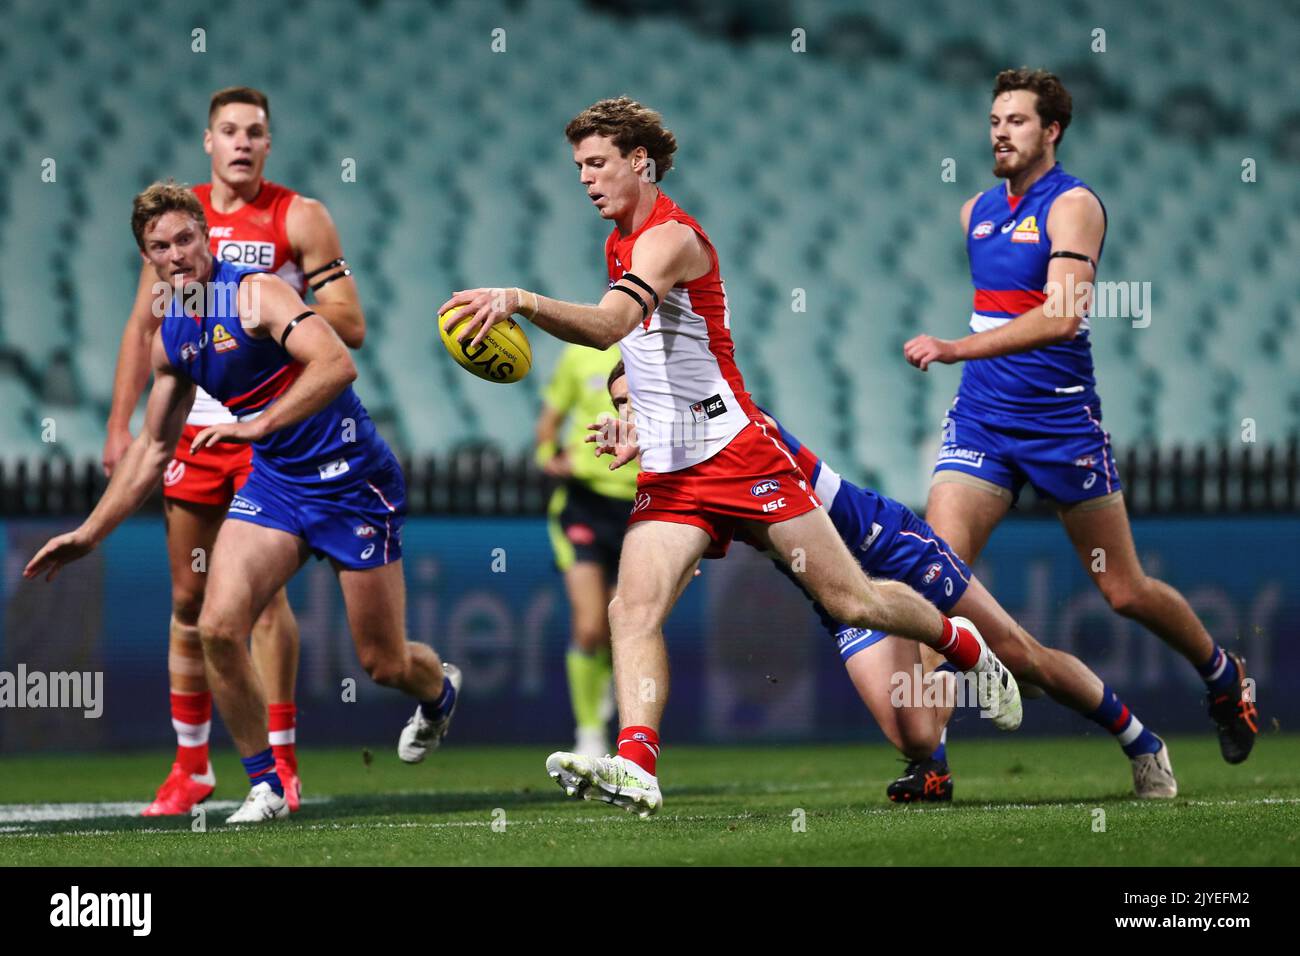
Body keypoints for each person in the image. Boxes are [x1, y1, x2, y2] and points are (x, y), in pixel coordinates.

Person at [440, 97, 1022, 819]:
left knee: (853, 601)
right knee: (632, 609)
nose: (585, 180)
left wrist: (519, 298)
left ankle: (958, 643)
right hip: (675, 470)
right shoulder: (620, 241)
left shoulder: (669, 238)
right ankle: (637, 765)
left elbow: (611, 326)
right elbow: (642, 353)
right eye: (579, 168)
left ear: (640, 163)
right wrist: (633, 424)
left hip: (737, 452)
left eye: (596, 164)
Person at [27, 182, 459, 824]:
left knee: (383, 662)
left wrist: (259, 426)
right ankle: (266, 785)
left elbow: (338, 364)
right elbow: (152, 448)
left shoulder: (256, 293)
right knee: (217, 627)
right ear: (147, 260)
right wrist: (90, 533)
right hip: (279, 487)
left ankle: (439, 690)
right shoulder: (171, 337)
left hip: (352, 482)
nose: (176, 255)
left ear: (206, 237)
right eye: (159, 247)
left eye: (184, 238)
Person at [603, 362, 1177, 801]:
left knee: (1022, 657)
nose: (633, 414)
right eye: (623, 406)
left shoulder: (734, 427)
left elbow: (715, 429)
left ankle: (1141, 742)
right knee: (916, 737)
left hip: (888, 547)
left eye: (640, 399)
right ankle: (939, 727)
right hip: (839, 593)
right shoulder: (673, 478)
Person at [902, 69, 1257, 763]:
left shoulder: (1074, 206)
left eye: (1018, 121)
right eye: (995, 119)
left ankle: (1223, 676)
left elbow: (1063, 317)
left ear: (1052, 130)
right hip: (981, 421)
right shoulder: (975, 209)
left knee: (1123, 592)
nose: (1000, 131)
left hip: (1060, 426)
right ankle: (930, 760)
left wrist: (956, 346)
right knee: (934, 575)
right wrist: (969, 362)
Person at [101, 87, 366, 815]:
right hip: (190, 426)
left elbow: (350, 327)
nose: (243, 142)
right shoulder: (176, 219)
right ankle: (192, 768)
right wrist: (119, 425)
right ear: (208, 142)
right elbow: (141, 325)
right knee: (189, 599)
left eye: (255, 131)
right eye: (229, 131)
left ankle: (279, 763)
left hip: (265, 424)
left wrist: (266, 299)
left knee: (257, 597)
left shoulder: (299, 216)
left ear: (269, 144)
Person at [535, 344, 638, 756]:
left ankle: (609, 693)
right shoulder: (579, 353)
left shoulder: (659, 350)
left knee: (625, 624)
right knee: (590, 624)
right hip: (584, 503)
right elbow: (548, 426)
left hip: (640, 506)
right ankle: (590, 732)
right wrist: (549, 456)